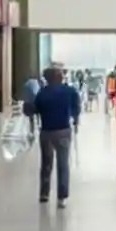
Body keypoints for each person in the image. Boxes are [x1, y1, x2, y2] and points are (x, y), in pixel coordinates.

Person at [33, 67, 80, 206]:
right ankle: (62, 197)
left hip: (46, 132)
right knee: (63, 164)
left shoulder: (42, 93)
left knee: (46, 163)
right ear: (59, 77)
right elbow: (76, 107)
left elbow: (36, 109)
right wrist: (75, 120)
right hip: (63, 131)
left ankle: (44, 193)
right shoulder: (69, 91)